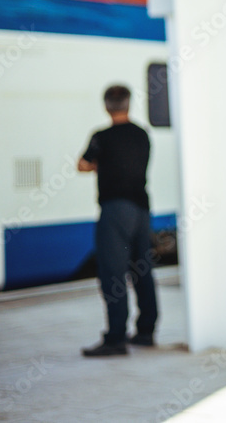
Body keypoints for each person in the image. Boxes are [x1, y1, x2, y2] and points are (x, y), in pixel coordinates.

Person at [78, 84, 158, 357]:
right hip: (142, 209)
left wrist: (99, 164)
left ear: (106, 106)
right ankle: (146, 332)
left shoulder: (101, 136)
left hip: (114, 210)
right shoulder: (142, 134)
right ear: (129, 104)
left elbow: (82, 164)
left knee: (113, 273)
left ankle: (115, 339)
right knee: (142, 269)